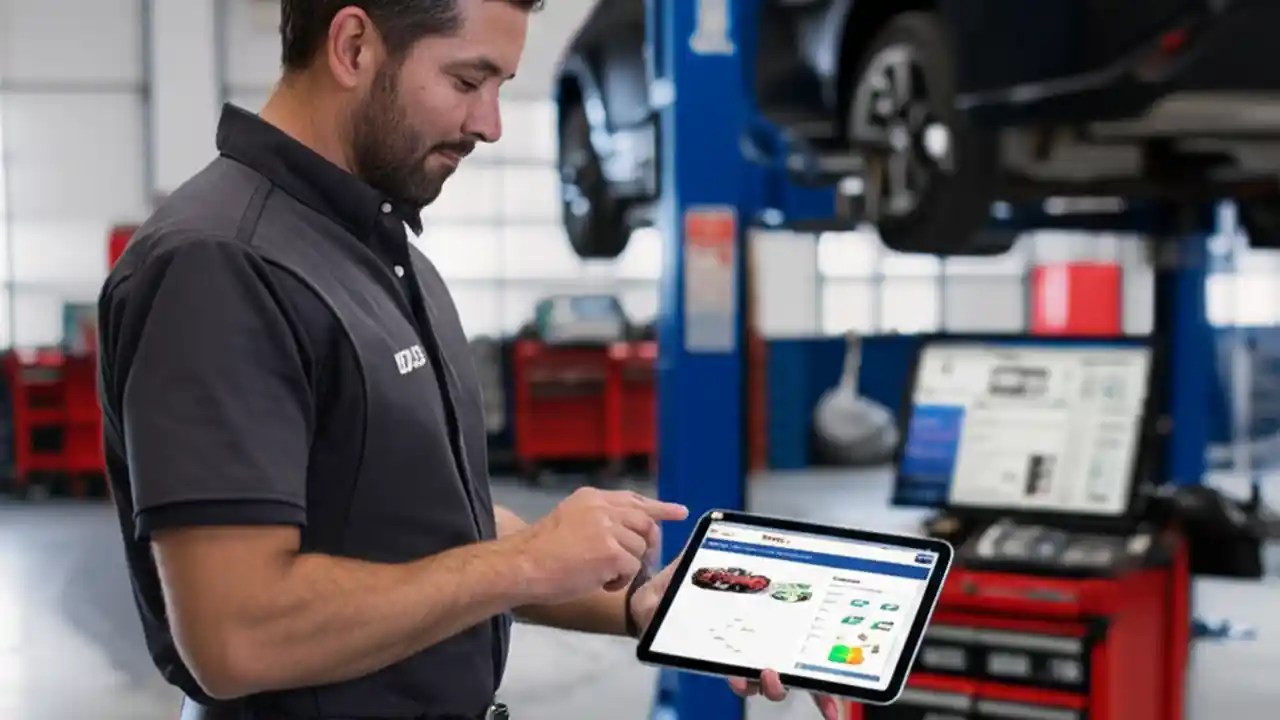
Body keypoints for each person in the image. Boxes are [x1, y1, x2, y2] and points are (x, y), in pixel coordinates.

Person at [96, 2, 840, 719]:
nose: (489, 124)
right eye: (466, 82)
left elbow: (438, 529)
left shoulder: (380, 255)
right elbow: (235, 636)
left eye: (500, 88)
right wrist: (527, 563)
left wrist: (640, 602)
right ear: (353, 46)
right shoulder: (221, 266)